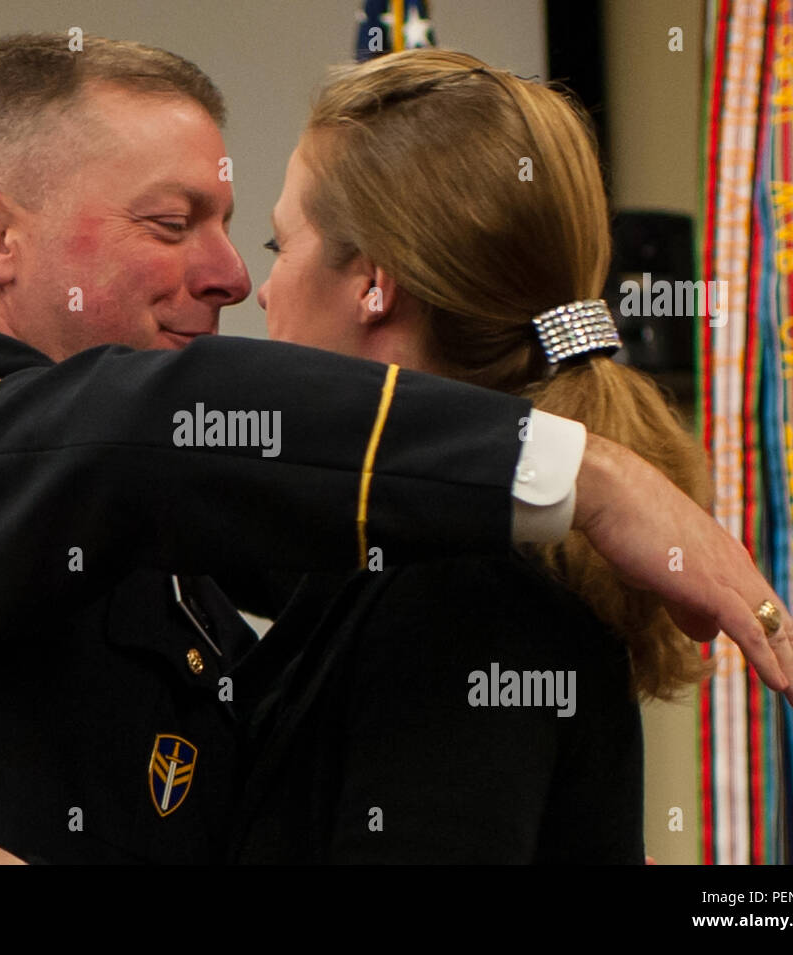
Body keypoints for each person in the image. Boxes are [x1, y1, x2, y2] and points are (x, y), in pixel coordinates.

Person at [0, 33, 793, 865]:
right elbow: (132, 430)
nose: (231, 278)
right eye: (172, 224)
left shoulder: (429, 576)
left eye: (251, 232)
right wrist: (584, 471)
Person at [229, 49, 717, 862]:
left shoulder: (458, 589)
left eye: (281, 246)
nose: (259, 288)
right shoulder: (432, 555)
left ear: (372, 284)